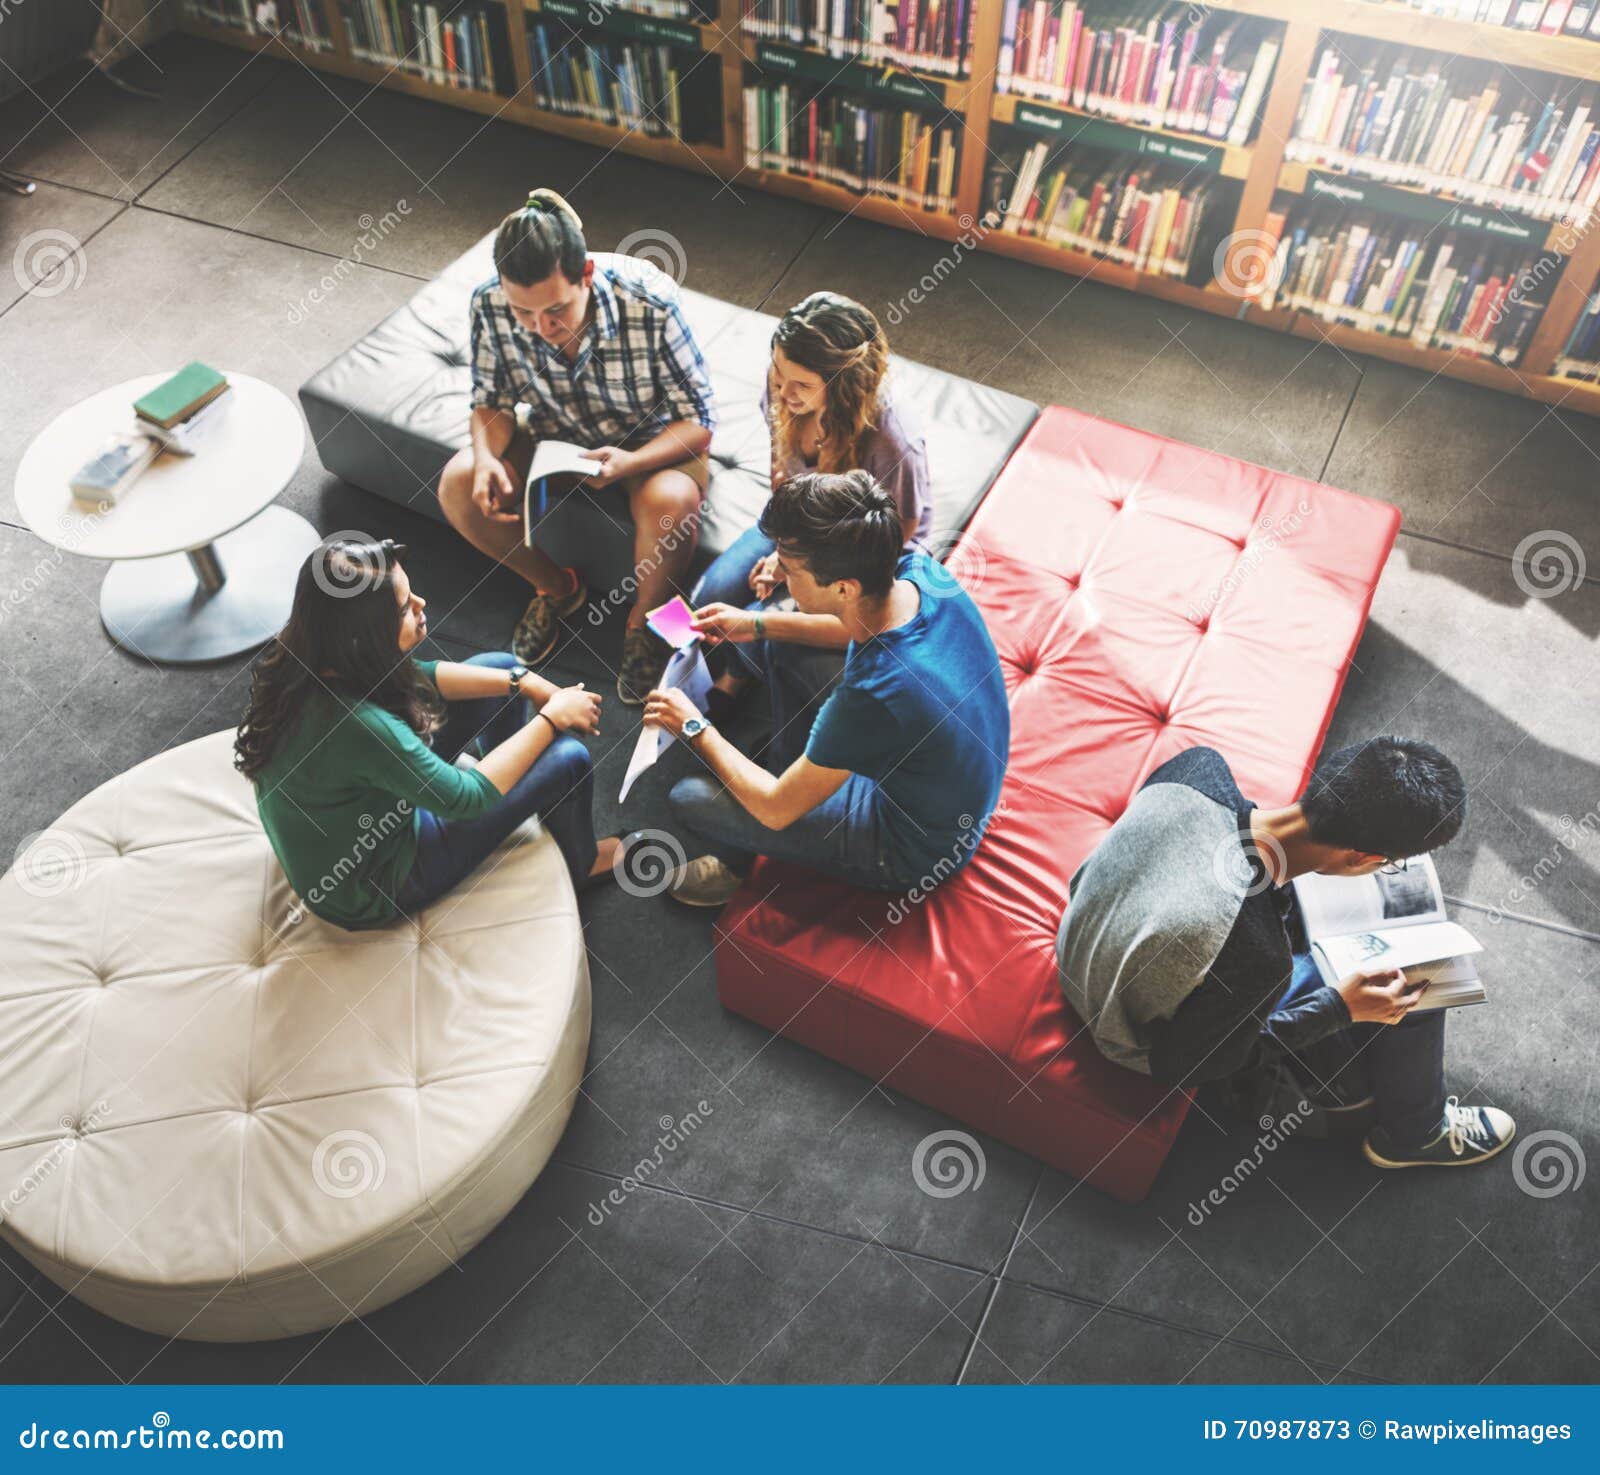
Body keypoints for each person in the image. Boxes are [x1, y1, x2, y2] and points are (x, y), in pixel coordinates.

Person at [1056, 739, 1517, 1171]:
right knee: (1413, 982)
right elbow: (1186, 1065)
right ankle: (1417, 1136)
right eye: (1389, 864)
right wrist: (1339, 1008)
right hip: (1123, 1028)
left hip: (1080, 938)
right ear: (1360, 858)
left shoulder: (1197, 768)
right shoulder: (1256, 957)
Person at [645, 470, 1009, 908]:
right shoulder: (919, 572)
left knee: (690, 799)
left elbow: (775, 809)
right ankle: (796, 768)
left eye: (790, 570)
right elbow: (854, 630)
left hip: (912, 846)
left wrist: (693, 725)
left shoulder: (873, 696)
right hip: (956, 776)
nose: (781, 576)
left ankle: (749, 852)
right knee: (782, 646)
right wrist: (755, 623)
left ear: (842, 587)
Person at [236, 538, 634, 931]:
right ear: (363, 638)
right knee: (568, 760)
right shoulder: (361, 728)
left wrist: (523, 680)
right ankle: (582, 864)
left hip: (357, 817)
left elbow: (417, 677)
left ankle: (512, 781)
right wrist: (550, 719)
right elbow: (465, 798)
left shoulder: (315, 656)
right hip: (372, 883)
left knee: (502, 667)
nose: (421, 604)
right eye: (405, 608)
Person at [437, 187, 717, 704]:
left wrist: (632, 461)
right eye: (523, 313)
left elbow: (698, 421)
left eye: (556, 310)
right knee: (458, 484)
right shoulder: (488, 303)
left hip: (650, 443)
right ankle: (557, 589)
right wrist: (486, 459)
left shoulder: (651, 303)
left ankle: (643, 626)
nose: (542, 328)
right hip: (555, 433)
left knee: (672, 502)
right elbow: (490, 402)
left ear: (586, 274)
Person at [691, 291, 930, 727]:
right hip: (800, 519)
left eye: (801, 385)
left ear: (842, 384)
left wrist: (793, 564)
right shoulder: (783, 387)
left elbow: (899, 531)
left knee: (760, 629)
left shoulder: (894, 440)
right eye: (779, 374)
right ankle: (737, 675)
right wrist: (784, 549)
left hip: (863, 548)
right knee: (708, 597)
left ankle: (736, 677)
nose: (783, 391)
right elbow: (782, 476)